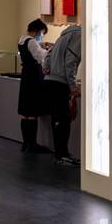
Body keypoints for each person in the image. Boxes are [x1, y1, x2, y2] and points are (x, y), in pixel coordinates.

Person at [44, 22, 82, 165]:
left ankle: (59, 154)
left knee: (57, 119)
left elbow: (48, 55)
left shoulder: (63, 36)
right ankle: (63, 155)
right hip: (60, 83)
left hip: (51, 81)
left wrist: (46, 68)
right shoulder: (79, 35)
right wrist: (73, 86)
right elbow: (70, 62)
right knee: (64, 119)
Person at [17, 19, 52, 152]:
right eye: (42, 33)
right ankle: (33, 144)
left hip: (26, 76)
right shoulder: (32, 42)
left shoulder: (22, 39)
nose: (42, 35)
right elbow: (40, 56)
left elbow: (34, 48)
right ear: (37, 31)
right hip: (33, 77)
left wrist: (42, 44)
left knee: (25, 112)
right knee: (32, 111)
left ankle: (25, 143)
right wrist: (49, 50)